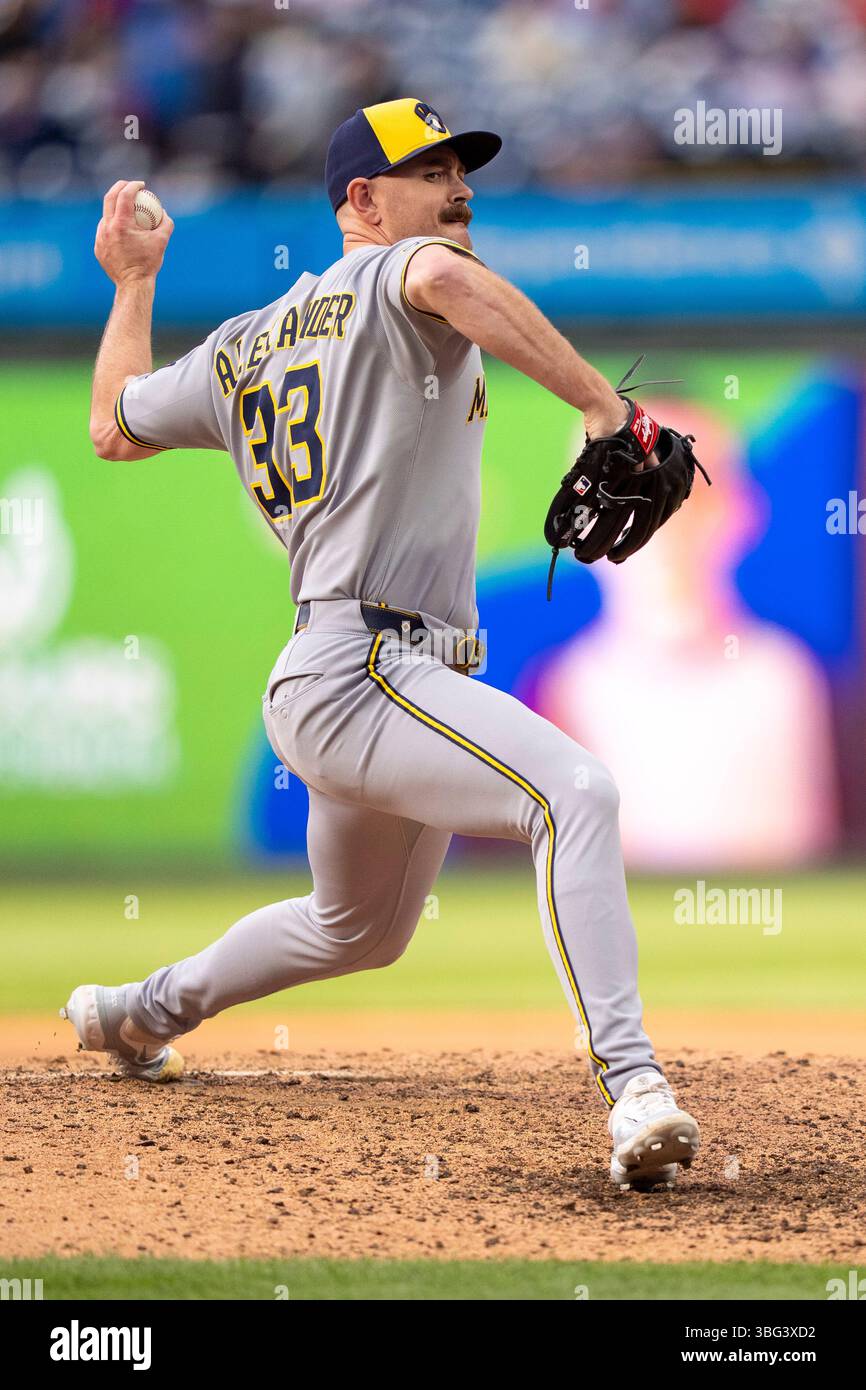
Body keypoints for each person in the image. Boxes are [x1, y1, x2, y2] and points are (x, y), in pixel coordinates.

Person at [63, 98, 700, 1192]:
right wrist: (604, 410)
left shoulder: (241, 345)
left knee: (355, 928)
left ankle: (133, 1014)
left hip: (346, 672)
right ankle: (634, 1085)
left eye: (461, 168)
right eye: (425, 171)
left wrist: (131, 287)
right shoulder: (397, 271)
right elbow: (443, 282)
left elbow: (114, 422)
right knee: (572, 795)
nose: (456, 189)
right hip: (367, 668)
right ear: (359, 201)